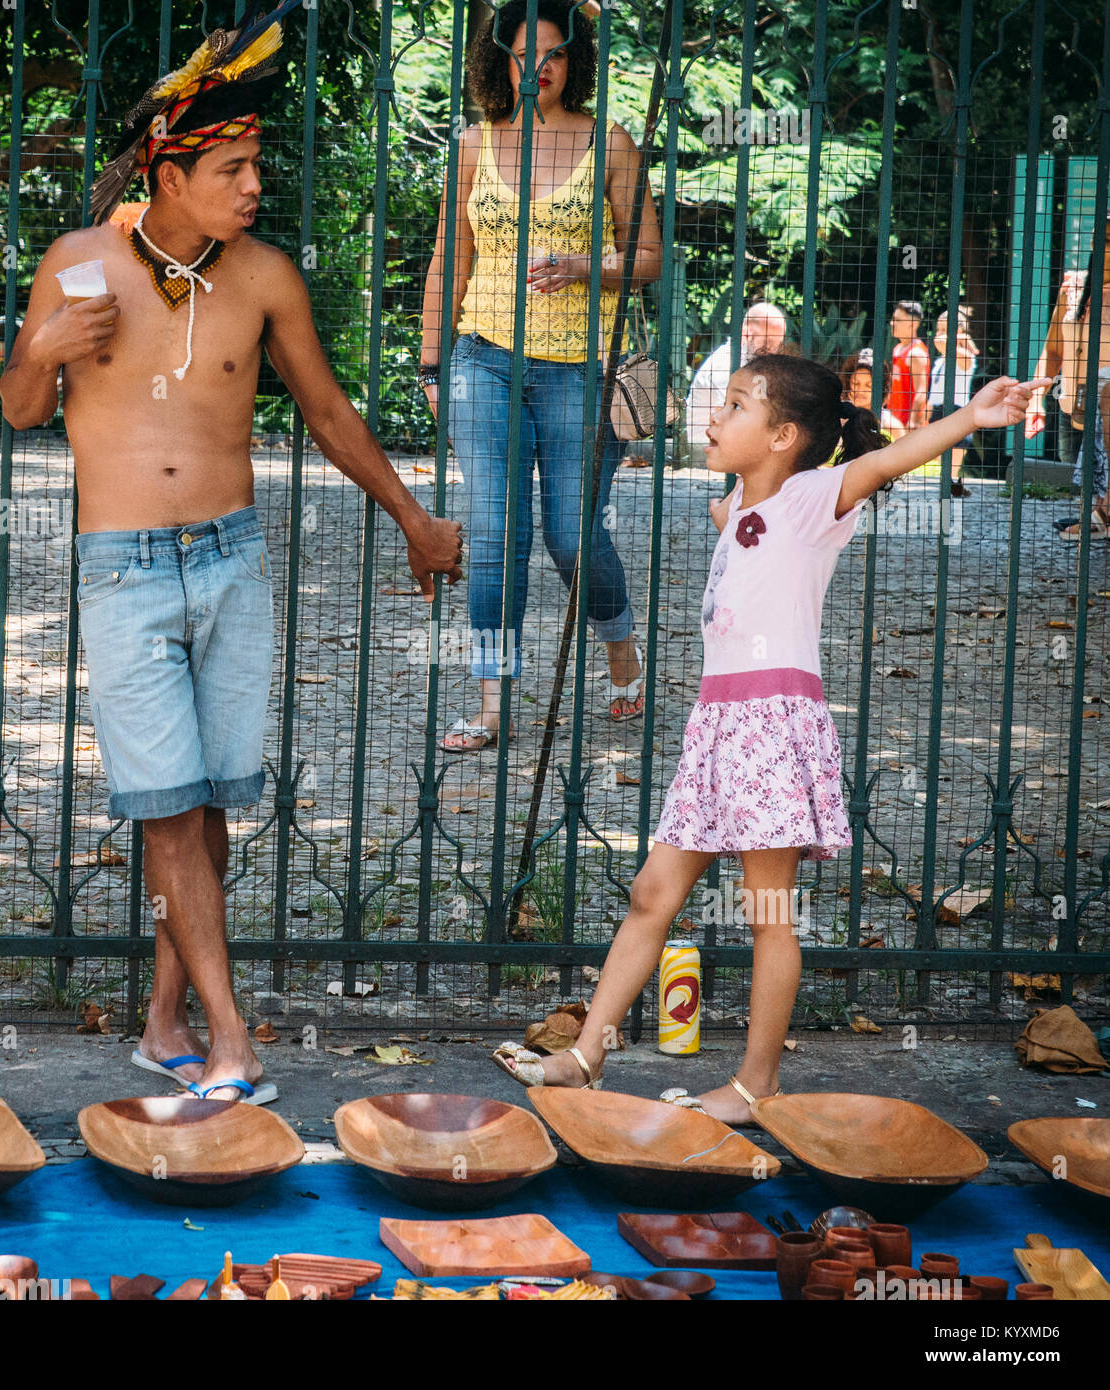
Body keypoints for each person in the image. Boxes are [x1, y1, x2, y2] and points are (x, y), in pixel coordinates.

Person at [0, 11, 462, 1103]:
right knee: (167, 808)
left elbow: (329, 412)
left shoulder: (264, 279)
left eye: (256, 166)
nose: (253, 185)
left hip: (231, 561)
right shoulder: (78, 266)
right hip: (122, 567)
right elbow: (22, 410)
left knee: (203, 810)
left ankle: (163, 1015)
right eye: (231, 167)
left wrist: (411, 515)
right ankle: (231, 1038)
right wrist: (40, 348)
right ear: (166, 169)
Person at [492, 353, 1049, 1119]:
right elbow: (737, 509)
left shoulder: (815, 499)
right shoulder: (731, 512)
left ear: (784, 435)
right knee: (652, 890)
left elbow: (887, 458)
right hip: (716, 724)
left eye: (736, 405)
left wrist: (971, 418)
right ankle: (587, 1054)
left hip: (772, 721)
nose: (714, 417)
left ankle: (755, 1086)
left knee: (766, 913)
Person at [420, 0, 661, 748]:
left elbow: (649, 259)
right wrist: (431, 364)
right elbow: (447, 259)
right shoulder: (472, 144)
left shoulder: (610, 144)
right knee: (493, 531)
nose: (539, 67)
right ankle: (493, 704)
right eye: (525, 55)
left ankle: (620, 649)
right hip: (481, 358)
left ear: (574, 60)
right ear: (501, 62)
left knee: (570, 535)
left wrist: (584, 266)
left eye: (553, 53)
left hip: (579, 370)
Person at [1026, 226, 1110, 541]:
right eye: (1105, 239)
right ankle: (1099, 515)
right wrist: (1036, 399)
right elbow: (1053, 349)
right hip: (1076, 403)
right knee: (1081, 471)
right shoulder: (1073, 288)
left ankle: (1101, 516)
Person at [685, 301, 788, 465]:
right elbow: (730, 419)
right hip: (705, 450)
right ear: (746, 334)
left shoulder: (750, 362)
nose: (773, 350)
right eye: (767, 342)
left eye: (777, 344)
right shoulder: (724, 363)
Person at [926, 307, 979, 497]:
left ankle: (951, 482)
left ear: (958, 332)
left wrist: (958, 343)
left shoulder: (964, 357)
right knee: (941, 452)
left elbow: (952, 350)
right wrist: (928, 408)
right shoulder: (941, 360)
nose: (939, 335)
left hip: (957, 410)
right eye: (938, 329)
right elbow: (936, 386)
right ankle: (949, 482)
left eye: (944, 329)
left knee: (957, 448)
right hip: (939, 409)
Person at [839, 346, 901, 440]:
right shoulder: (837, 422)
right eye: (856, 383)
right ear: (848, 383)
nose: (860, 390)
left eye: (869, 385)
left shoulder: (891, 426)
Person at [886, 299, 930, 432]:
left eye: (898, 320)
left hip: (908, 425)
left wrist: (912, 422)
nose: (892, 323)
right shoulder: (898, 348)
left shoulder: (915, 353)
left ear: (913, 324)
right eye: (893, 319)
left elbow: (921, 392)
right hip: (895, 420)